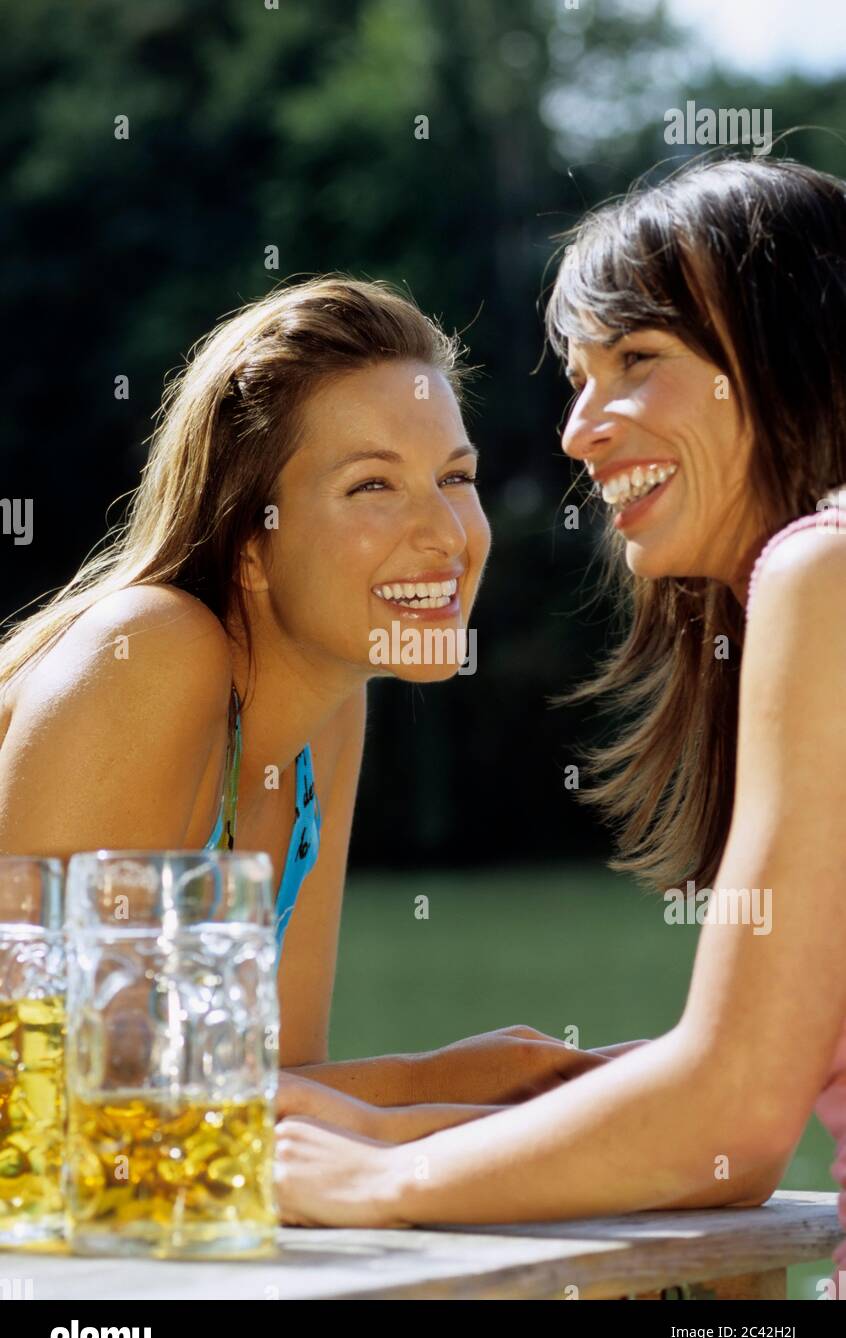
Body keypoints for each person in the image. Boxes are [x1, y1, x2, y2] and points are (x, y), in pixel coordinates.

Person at [272, 160, 846, 1276]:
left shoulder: (822, 572)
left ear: (793, 354)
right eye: (580, 378)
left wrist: (389, 1179)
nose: (581, 431)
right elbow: (743, 1086)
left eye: (639, 360)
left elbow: (732, 1114)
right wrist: (400, 1121)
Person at [1, 274, 585, 1101]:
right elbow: (41, 1096)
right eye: (373, 485)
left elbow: (275, 1086)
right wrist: (455, 1090)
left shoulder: (331, 704)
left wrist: (535, 1084)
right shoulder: (147, 653)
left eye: (455, 478)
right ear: (249, 542)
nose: (447, 534)